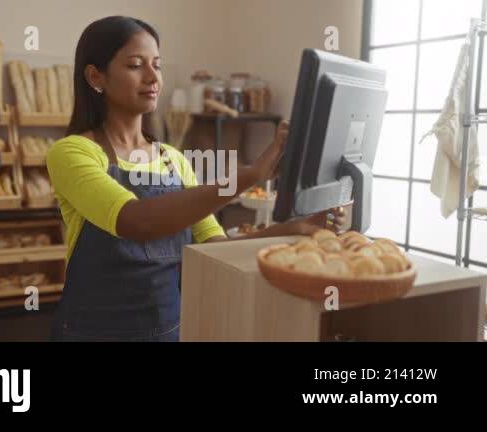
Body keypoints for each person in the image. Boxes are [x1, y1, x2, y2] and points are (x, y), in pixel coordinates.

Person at [46, 16, 346, 342]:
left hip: (168, 332)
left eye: (157, 65)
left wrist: (293, 230)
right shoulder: (73, 153)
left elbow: (214, 249)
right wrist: (251, 174)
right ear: (96, 77)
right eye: (135, 65)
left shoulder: (174, 161)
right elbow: (135, 222)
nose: (153, 77)